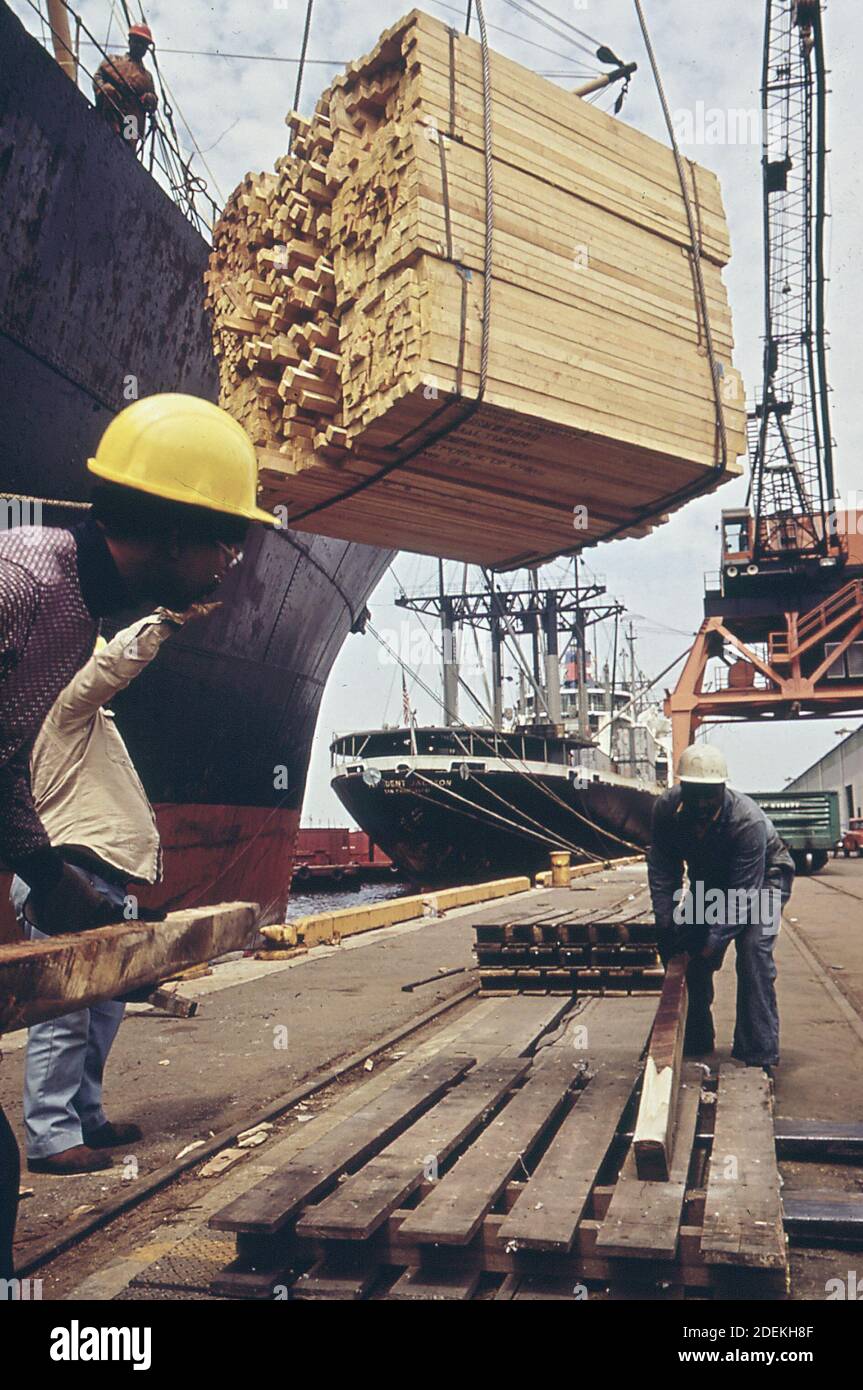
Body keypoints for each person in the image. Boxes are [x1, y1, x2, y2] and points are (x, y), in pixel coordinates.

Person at [0, 391, 276, 1284]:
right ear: (167, 533)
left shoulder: (71, 611)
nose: (230, 562)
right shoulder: (20, 584)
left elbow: (4, 762)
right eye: (223, 538)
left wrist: (42, 869)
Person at [13, 608, 213, 1176]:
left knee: (103, 1006)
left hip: (95, 877)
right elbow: (108, 667)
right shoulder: (61, 706)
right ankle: (52, 1138)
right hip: (67, 880)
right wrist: (169, 617)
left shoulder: (81, 720)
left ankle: (84, 1116)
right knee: (65, 1011)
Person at [647, 744, 795, 1071]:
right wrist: (667, 923)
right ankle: (697, 1036)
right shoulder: (666, 810)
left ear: (722, 789)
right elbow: (663, 868)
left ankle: (759, 1052)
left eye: (709, 795)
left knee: (754, 951)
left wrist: (712, 942)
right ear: (681, 787)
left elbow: (742, 895)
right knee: (686, 949)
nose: (701, 804)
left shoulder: (748, 821)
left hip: (765, 877)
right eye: (694, 793)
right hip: (709, 878)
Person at [93, 24, 158, 146]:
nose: (140, 46)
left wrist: (150, 98)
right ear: (130, 41)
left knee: (129, 136)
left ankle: (127, 149)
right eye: (137, 41)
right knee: (107, 90)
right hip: (110, 109)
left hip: (132, 118)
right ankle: (112, 126)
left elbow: (154, 102)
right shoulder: (113, 60)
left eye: (143, 44)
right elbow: (98, 77)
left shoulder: (147, 77)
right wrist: (102, 88)